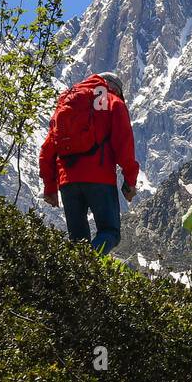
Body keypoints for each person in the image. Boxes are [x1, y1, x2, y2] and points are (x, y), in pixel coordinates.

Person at [39, 71, 140, 254]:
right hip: (99, 178)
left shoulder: (66, 102)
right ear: (115, 89)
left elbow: (48, 148)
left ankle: (76, 275)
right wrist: (130, 181)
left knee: (77, 241)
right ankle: (87, 266)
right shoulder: (113, 102)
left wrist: (50, 187)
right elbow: (124, 146)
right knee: (110, 232)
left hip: (67, 181)